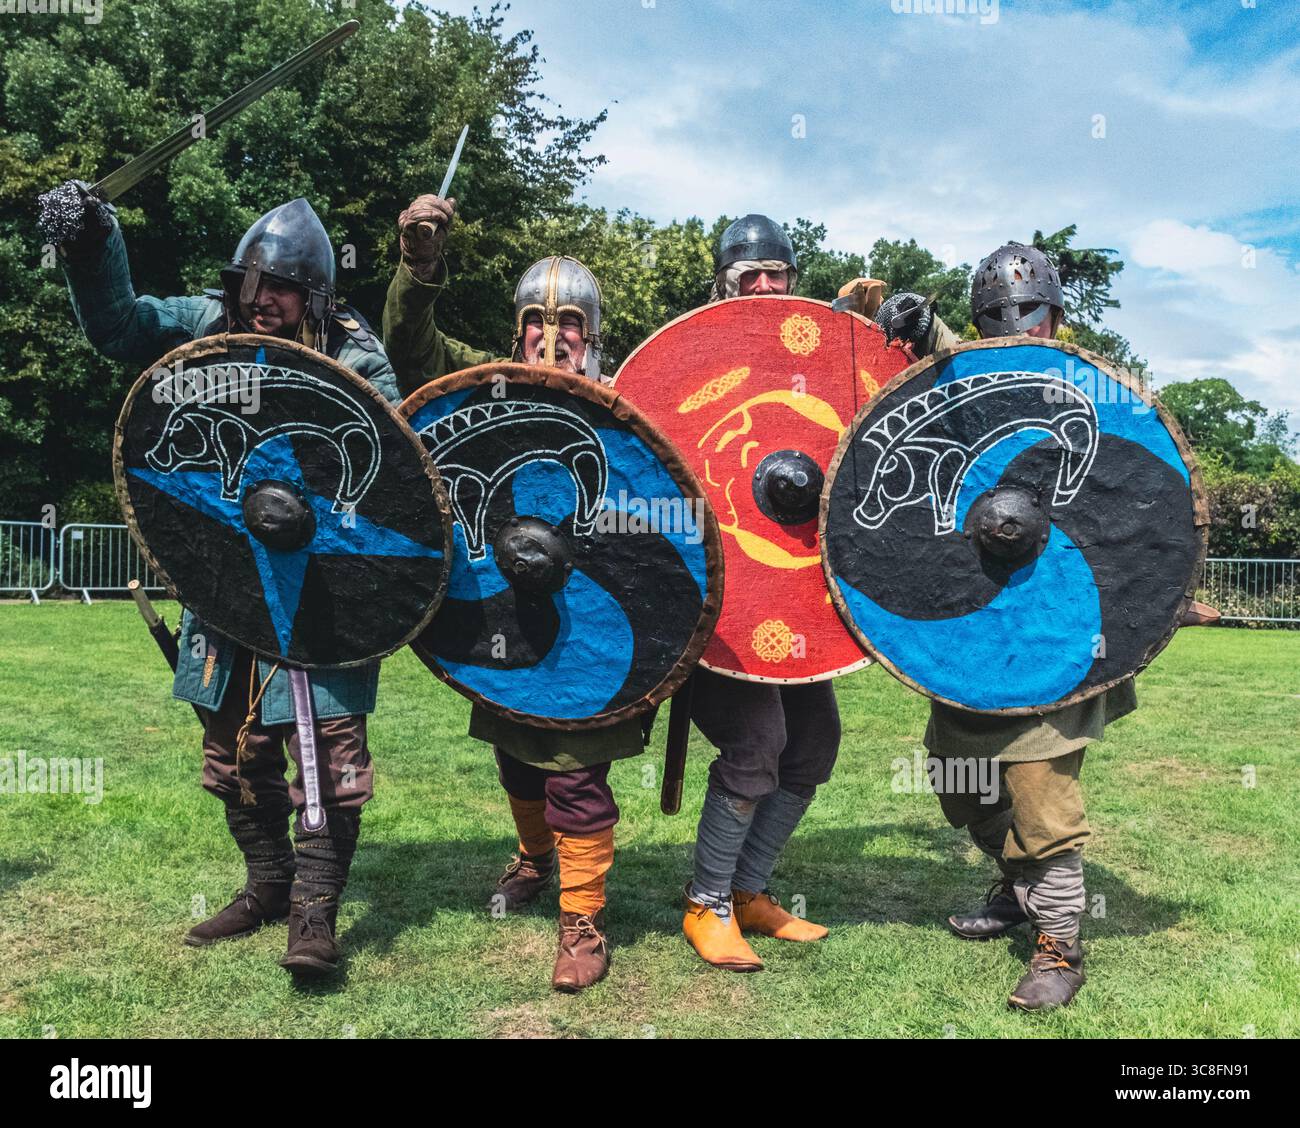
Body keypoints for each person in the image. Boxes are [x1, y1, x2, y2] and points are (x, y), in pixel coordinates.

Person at [49, 190, 399, 978]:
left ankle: (314, 913)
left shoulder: (357, 361)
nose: (261, 301)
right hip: (227, 584)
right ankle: (268, 885)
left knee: (331, 757)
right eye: (252, 283)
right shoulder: (211, 326)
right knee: (231, 753)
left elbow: (390, 481)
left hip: (325, 591)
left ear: (315, 295)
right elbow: (120, 326)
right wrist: (91, 240)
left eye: (280, 289)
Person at [383, 195, 643, 990]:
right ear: (518, 327)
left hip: (594, 614)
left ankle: (583, 920)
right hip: (500, 598)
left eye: (569, 323)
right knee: (517, 760)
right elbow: (410, 347)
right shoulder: (487, 380)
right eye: (538, 319)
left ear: (592, 335)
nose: (552, 335)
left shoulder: (629, 398)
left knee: (574, 773)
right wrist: (418, 268)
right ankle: (534, 861)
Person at [681, 214, 841, 974]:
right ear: (726, 283)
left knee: (814, 744)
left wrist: (879, 334)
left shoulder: (802, 370)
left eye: (780, 274)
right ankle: (705, 903)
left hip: (793, 596)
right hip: (717, 609)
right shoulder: (693, 359)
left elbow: (858, 427)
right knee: (757, 745)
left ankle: (748, 891)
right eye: (753, 276)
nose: (769, 287)